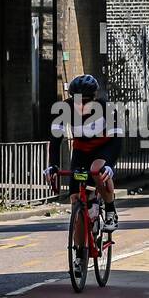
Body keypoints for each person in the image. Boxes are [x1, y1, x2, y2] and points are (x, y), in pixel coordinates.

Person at [43, 74, 123, 231]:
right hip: (81, 150)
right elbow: (55, 139)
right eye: (77, 100)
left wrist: (110, 165)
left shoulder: (107, 108)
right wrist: (53, 165)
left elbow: (117, 139)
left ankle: (110, 210)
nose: (81, 105)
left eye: (86, 101)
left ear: (94, 97)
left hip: (104, 148)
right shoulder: (65, 109)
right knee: (75, 200)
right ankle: (80, 254)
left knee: (96, 169)